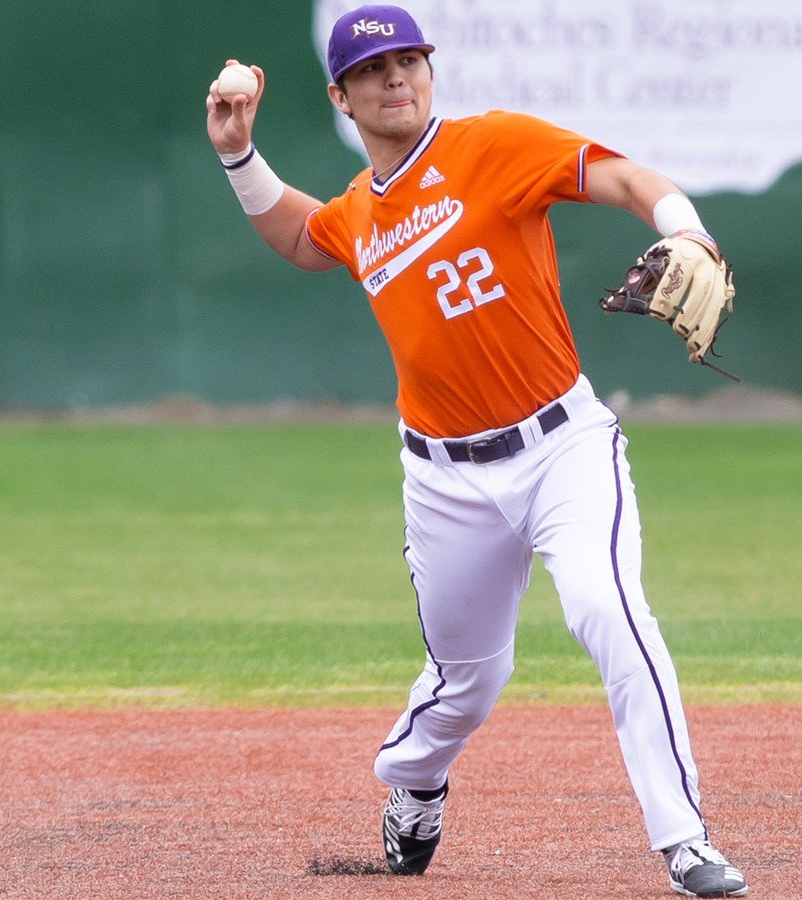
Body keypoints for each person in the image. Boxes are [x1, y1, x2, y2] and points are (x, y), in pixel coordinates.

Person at [204, 6, 748, 897]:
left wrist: (686, 227)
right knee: (467, 680)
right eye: (375, 70)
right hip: (443, 478)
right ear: (341, 95)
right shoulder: (361, 210)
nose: (398, 78)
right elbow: (306, 238)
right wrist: (238, 154)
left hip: (563, 446)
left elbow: (620, 177)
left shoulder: (491, 146)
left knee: (607, 609)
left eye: (411, 60)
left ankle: (682, 838)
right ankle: (413, 782)